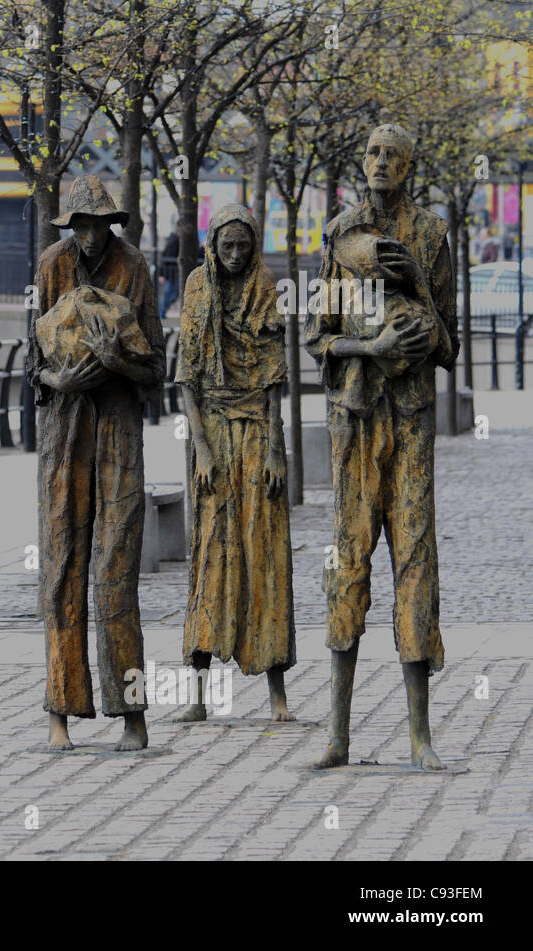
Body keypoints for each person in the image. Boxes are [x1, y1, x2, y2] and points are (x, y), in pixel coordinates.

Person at [305, 124, 457, 771]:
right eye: (371, 152)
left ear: (410, 167)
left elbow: (451, 342)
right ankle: (337, 734)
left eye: (393, 155)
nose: (380, 162)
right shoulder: (340, 235)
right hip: (356, 420)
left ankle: (421, 735)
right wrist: (371, 348)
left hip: (414, 418)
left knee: (416, 559)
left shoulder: (432, 234)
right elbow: (320, 339)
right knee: (347, 558)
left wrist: (417, 289)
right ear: (360, 161)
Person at [27, 175, 166, 752]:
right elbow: (31, 357)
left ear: (111, 224)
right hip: (63, 431)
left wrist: (117, 363)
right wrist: (58, 377)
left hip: (117, 431)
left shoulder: (135, 268)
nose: (87, 235)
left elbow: (156, 369)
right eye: (78, 225)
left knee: (115, 573)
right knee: (61, 568)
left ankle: (132, 714)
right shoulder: (49, 265)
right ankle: (61, 709)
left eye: (96, 225)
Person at [174, 204, 296, 721]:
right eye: (227, 245)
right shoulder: (197, 287)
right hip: (213, 440)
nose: (235, 254)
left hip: (256, 435)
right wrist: (200, 447)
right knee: (210, 554)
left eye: (244, 246)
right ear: (212, 244)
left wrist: (274, 449)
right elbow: (187, 378)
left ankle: (276, 695)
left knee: (264, 550)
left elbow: (273, 379)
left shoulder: (265, 287)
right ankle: (198, 692)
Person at [158, 231, 180, 319]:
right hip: (171, 273)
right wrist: (161, 274)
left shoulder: (172, 241)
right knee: (169, 294)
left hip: (172, 273)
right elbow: (164, 259)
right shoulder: (174, 242)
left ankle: (161, 312)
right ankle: (161, 312)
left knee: (171, 294)